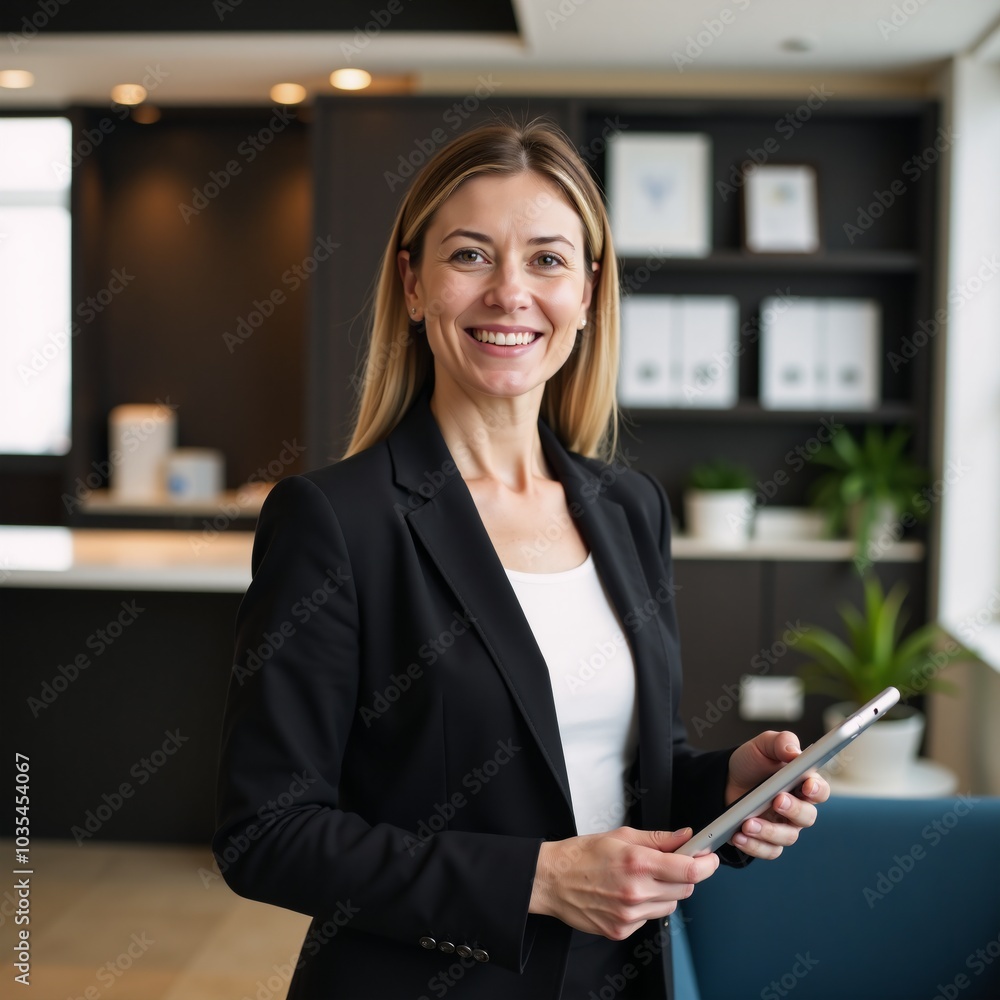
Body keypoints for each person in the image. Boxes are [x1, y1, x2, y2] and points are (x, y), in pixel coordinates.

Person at [214, 116, 830, 1000]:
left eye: (546, 260)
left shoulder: (629, 507)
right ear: (414, 285)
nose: (510, 292)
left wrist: (725, 790)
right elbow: (266, 834)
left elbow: (626, 771)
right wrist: (536, 879)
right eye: (470, 256)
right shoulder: (336, 521)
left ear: (588, 291)